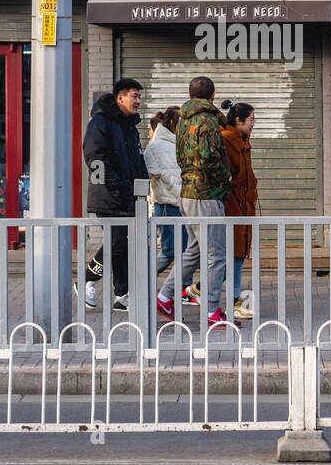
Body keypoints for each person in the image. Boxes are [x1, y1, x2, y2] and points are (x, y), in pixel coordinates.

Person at [156, 76, 237, 327]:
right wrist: (226, 178)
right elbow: (210, 156)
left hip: (187, 193)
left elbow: (181, 156)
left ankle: (164, 296)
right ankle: (212, 310)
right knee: (217, 255)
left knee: (194, 250)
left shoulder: (183, 121)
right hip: (206, 194)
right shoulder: (208, 121)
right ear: (212, 96)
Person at [82, 77, 147, 311]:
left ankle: (122, 294)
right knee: (117, 242)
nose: (138, 101)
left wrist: (143, 185)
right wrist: (117, 186)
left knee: (123, 244)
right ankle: (87, 279)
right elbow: (94, 158)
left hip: (129, 196)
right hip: (109, 196)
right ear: (120, 97)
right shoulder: (101, 123)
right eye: (134, 96)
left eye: (140, 96)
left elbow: (137, 160)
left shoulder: (129, 127)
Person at [220, 100, 259, 320]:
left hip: (243, 205)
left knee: (239, 253)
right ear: (238, 120)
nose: (253, 124)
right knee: (232, 253)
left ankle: (232, 296)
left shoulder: (242, 141)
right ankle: (227, 297)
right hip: (233, 204)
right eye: (251, 120)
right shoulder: (227, 141)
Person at [145, 107, 187, 282]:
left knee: (186, 249)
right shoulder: (155, 147)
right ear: (173, 123)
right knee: (171, 250)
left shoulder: (181, 144)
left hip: (183, 204)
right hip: (167, 206)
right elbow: (149, 176)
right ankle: (143, 279)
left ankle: (185, 286)